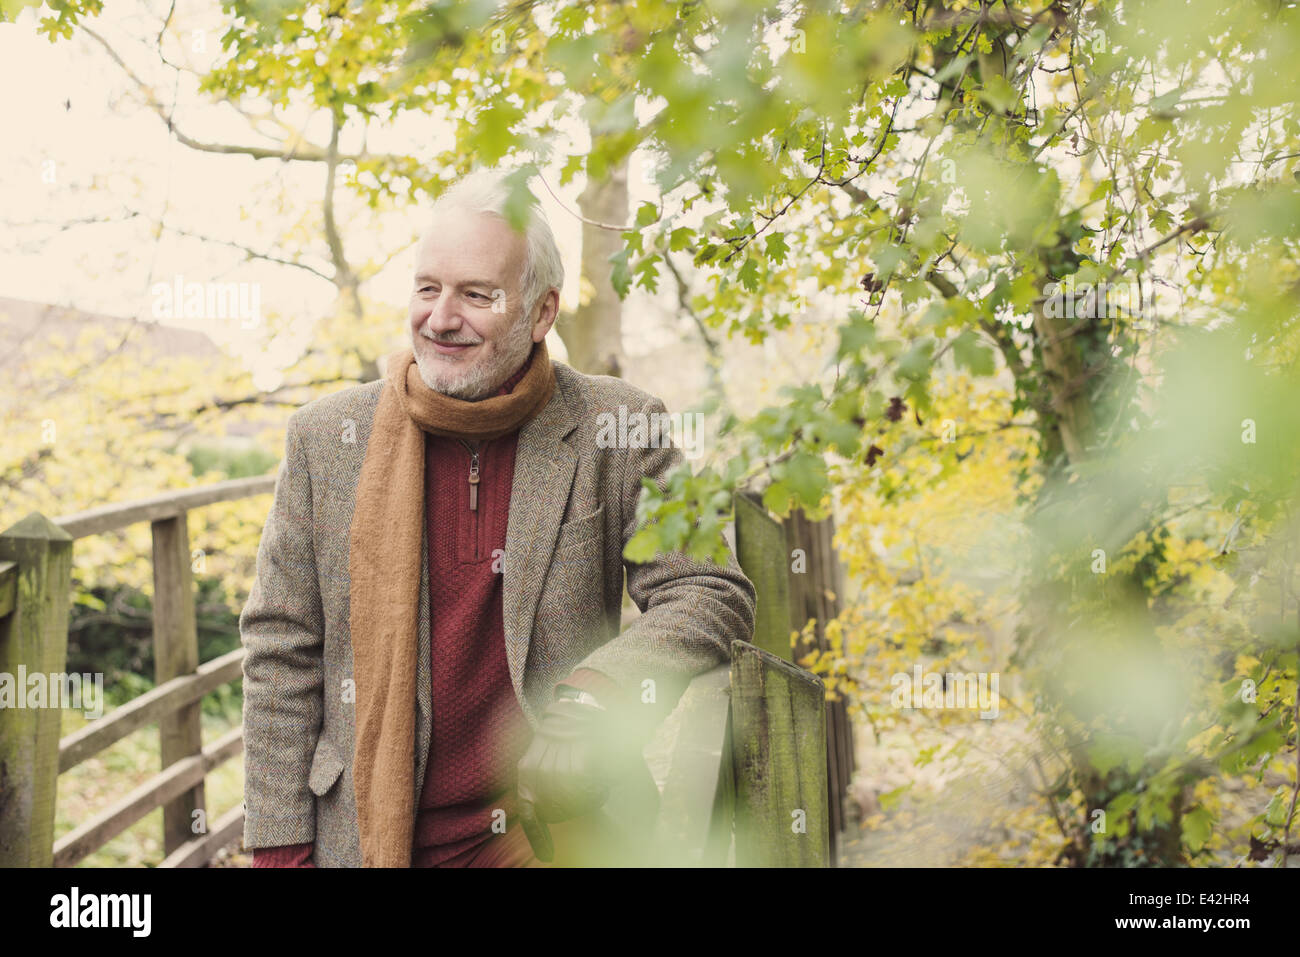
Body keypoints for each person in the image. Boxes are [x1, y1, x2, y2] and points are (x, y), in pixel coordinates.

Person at [240, 167, 756, 867]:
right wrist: (279, 849)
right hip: (368, 837)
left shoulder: (619, 424)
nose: (441, 318)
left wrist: (595, 694)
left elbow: (709, 588)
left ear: (542, 312)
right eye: (428, 288)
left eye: (477, 295)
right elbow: (280, 649)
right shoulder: (324, 439)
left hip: (555, 830)